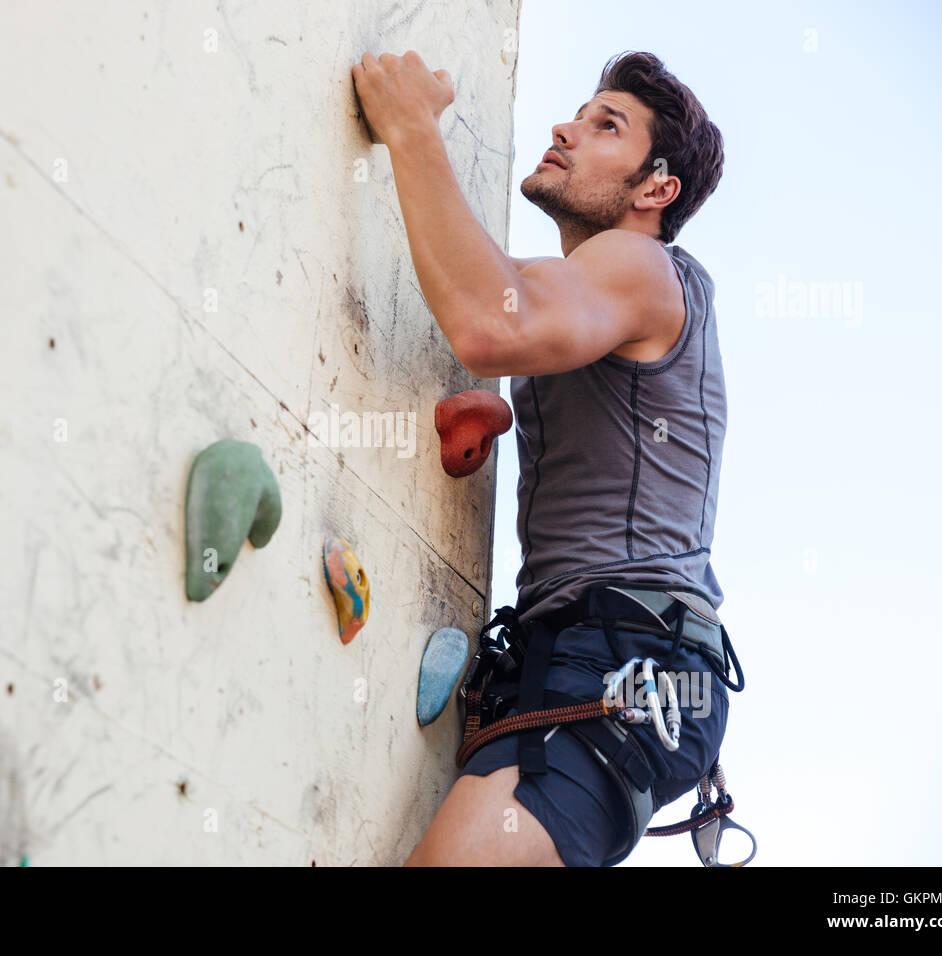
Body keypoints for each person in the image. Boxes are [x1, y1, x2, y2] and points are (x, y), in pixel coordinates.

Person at [352, 49, 731, 866]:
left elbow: (491, 323)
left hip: (628, 666)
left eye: (607, 126)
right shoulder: (599, 290)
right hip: (594, 663)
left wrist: (412, 127)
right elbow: (486, 287)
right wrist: (512, 413)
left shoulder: (645, 265)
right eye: (580, 113)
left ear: (655, 190)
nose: (567, 128)